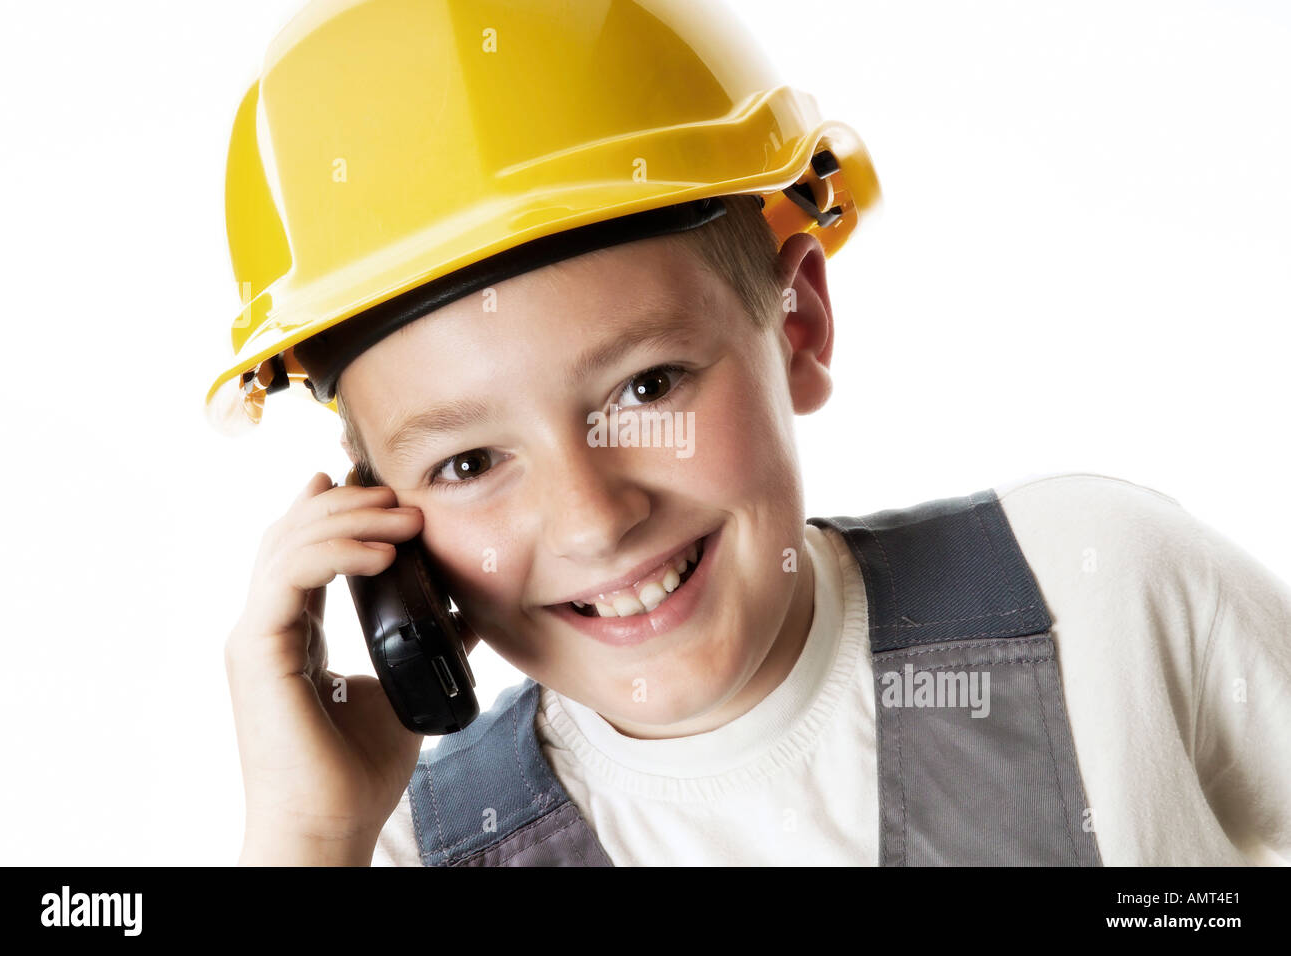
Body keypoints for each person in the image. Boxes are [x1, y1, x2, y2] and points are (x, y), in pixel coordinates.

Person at [208, 0, 1290, 866]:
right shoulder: (403, 849)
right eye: (469, 461)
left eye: (647, 385)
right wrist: (308, 842)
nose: (593, 518)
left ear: (798, 323)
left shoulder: (1092, 597)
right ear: (380, 527)